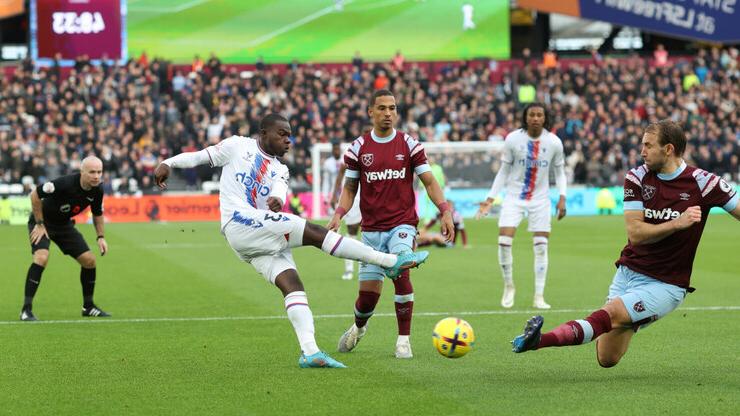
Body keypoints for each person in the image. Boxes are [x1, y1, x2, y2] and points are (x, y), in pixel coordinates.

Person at [153, 113, 429, 369]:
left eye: (290, 135)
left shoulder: (280, 169)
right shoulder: (237, 146)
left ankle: (310, 351)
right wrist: (169, 163)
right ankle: (390, 261)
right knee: (313, 232)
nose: (288, 140)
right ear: (264, 133)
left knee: (293, 285)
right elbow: (201, 157)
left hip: (256, 238)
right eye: (282, 134)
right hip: (239, 221)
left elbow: (279, 190)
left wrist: (277, 199)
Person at [511, 120, 740, 367]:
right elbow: (637, 233)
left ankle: (538, 340)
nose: (642, 151)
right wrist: (678, 223)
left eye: (648, 145)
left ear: (669, 149)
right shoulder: (637, 177)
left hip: (666, 284)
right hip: (628, 273)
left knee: (609, 315)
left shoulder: (704, 183)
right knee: (607, 358)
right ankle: (634, 316)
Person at [328, 90, 454, 359]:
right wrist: (339, 213)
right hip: (371, 231)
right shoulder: (358, 148)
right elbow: (350, 187)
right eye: (382, 108)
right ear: (370, 112)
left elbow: (430, 182)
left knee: (401, 272)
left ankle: (403, 341)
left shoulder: (410, 145)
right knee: (367, 300)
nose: (388, 113)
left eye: (392, 108)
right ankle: (359, 328)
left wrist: (444, 210)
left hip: (403, 224)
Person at [476, 103, 566, 310]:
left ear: (545, 118)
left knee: (542, 246)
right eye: (531, 114)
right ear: (525, 118)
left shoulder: (554, 142)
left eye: (539, 115)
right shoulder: (513, 139)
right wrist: (490, 198)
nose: (535, 118)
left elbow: (560, 172)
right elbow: (503, 171)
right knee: (504, 242)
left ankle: (539, 296)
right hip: (514, 197)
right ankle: (509, 286)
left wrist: (562, 197)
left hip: (541, 199)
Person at [21, 156, 110, 321]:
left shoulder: (98, 189)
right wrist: (40, 224)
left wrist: (100, 236)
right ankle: (26, 310)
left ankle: (88, 307)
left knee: (89, 260)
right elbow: (35, 194)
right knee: (41, 257)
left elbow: (97, 213)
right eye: (92, 172)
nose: (96, 176)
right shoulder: (64, 183)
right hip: (42, 223)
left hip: (63, 225)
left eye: (99, 172)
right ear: (82, 172)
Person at [329, 161, 363, 281]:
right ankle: (349, 268)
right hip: (352, 198)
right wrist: (334, 195)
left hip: (369, 196)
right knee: (352, 232)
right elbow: (340, 177)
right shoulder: (349, 157)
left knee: (370, 231)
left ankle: (365, 267)